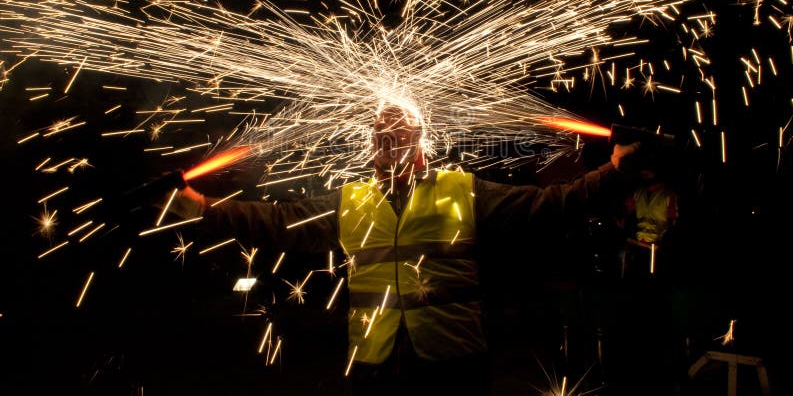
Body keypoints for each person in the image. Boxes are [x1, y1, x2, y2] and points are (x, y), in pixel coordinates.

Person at [171, 104, 642, 395]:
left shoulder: (464, 190)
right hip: (374, 366)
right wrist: (201, 210)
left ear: (421, 143)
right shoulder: (351, 200)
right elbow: (277, 221)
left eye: (399, 136)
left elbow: (550, 204)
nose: (389, 143)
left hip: (452, 364)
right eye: (382, 136)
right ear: (372, 145)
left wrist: (616, 172)